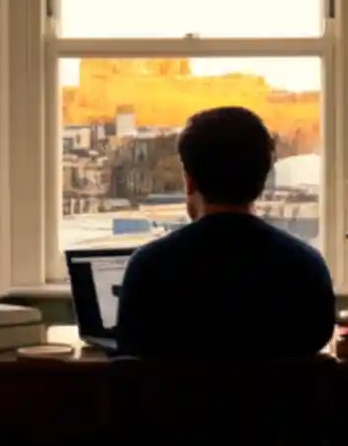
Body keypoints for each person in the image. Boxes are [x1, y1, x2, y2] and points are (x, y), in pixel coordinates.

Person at [116, 106, 336, 358]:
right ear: (262, 182)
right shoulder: (306, 268)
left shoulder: (149, 268)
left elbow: (132, 350)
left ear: (190, 182)